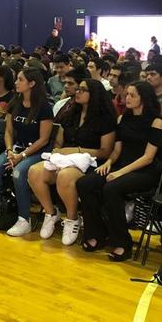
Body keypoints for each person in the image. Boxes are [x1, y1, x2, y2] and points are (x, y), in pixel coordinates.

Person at [76, 81, 162, 262]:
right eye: (127, 94)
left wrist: (120, 172)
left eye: (132, 95)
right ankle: (97, 233)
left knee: (111, 188)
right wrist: (108, 163)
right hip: (121, 166)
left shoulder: (156, 122)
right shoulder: (122, 118)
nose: (127, 98)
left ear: (144, 98)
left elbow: (148, 157)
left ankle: (123, 242)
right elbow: (116, 151)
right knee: (85, 183)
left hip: (144, 171)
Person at [27, 79, 116, 245]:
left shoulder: (105, 119)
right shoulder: (70, 113)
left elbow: (106, 151)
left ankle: (72, 218)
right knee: (34, 171)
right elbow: (60, 141)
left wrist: (76, 150)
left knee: (65, 176)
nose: (77, 92)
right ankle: (51, 213)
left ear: (94, 95)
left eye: (83, 90)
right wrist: (57, 150)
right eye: (78, 89)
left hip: (90, 161)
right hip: (65, 157)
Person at [0, 68, 54, 235]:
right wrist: (9, 150)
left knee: (19, 173)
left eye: (20, 79)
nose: (15, 82)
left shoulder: (43, 107)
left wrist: (22, 155)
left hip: (37, 151)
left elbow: (44, 139)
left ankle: (24, 218)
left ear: (32, 83)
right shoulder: (16, 102)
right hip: (17, 148)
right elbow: (9, 131)